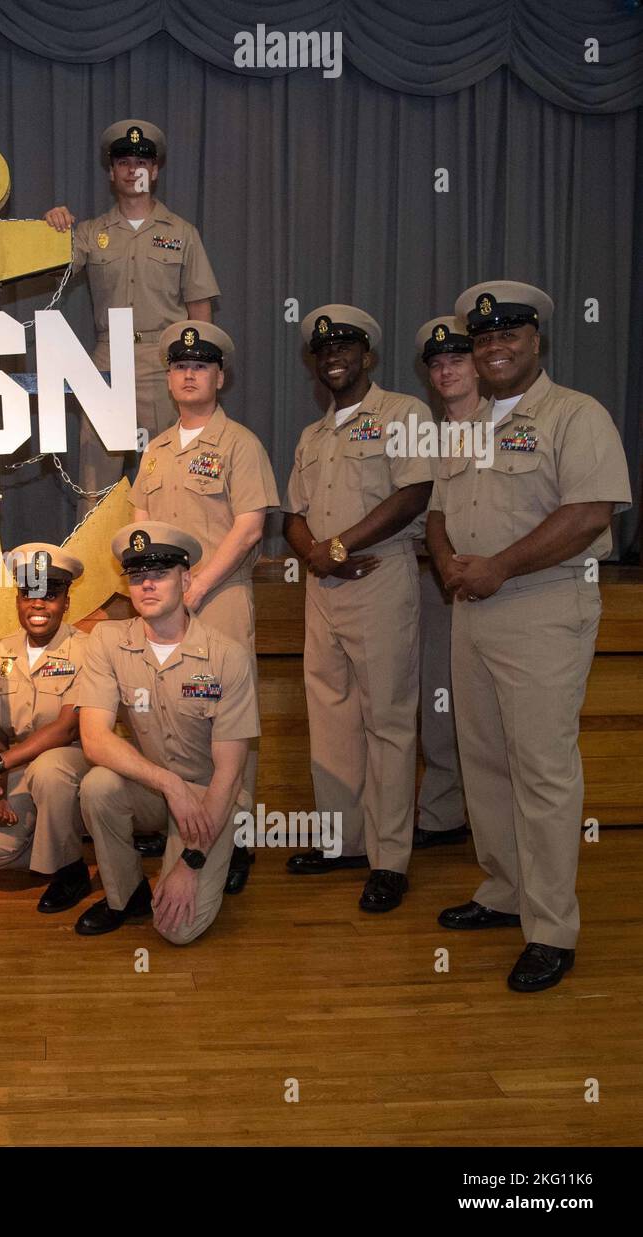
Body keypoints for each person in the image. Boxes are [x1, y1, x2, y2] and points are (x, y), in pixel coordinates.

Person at [429, 281, 632, 992]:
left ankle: (551, 928)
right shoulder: (464, 427)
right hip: (473, 608)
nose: (495, 345)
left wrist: (500, 566)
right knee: (484, 758)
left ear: (537, 340)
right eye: (483, 338)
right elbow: (439, 508)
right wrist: (448, 560)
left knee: (543, 770)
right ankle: (505, 889)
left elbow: (589, 512)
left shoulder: (575, 415)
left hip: (543, 607)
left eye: (509, 334)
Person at [281, 305, 434, 912]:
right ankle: (341, 841)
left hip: (378, 577)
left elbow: (415, 490)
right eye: (323, 350)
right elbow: (292, 515)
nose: (333, 356)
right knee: (332, 717)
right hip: (323, 587)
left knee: (389, 723)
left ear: (368, 356)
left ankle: (390, 858)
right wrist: (317, 555)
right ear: (315, 365)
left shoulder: (405, 413)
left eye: (346, 347)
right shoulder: (311, 436)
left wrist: (340, 546)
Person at [131, 320, 278, 890]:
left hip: (218, 600)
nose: (189, 374)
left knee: (228, 719)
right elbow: (140, 525)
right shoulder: (156, 450)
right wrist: (158, 592)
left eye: (200, 366)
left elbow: (249, 527)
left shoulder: (239, 444)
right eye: (179, 366)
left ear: (220, 376)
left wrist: (195, 588)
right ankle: (181, 820)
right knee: (170, 714)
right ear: (169, 378)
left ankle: (234, 838)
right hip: (163, 607)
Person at [73, 522, 256, 943]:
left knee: (179, 931)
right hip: (156, 789)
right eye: (137, 576)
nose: (147, 585)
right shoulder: (108, 640)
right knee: (98, 786)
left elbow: (229, 774)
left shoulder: (227, 657)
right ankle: (126, 896)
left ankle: (215, 857)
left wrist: (190, 864)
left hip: (212, 798)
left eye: (159, 573)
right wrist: (168, 784)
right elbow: (95, 739)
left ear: (186, 579)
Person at [43, 119, 219, 508]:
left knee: (171, 475)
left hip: (165, 362)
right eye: (123, 160)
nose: (133, 169)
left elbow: (199, 309)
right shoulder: (90, 232)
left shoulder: (182, 233)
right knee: (96, 482)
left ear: (154, 171)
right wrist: (52, 232)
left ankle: (173, 564)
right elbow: (52, 270)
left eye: (142, 161)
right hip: (108, 360)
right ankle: (91, 566)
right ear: (111, 171)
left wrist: (196, 370)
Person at [0, 543, 93, 913]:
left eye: (50, 594)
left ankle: (69, 871)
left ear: (67, 602)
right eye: (28, 593)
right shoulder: (0, 652)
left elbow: (68, 728)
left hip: (74, 764)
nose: (38, 605)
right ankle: (51, 842)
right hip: (18, 765)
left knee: (49, 769)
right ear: (18, 599)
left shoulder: (87, 649)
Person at [411, 316, 475, 849]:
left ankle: (475, 814)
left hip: (498, 581)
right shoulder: (427, 434)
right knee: (438, 699)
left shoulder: (503, 426)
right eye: (437, 364)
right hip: (430, 578)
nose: (446, 370)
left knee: (477, 706)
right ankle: (443, 811)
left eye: (457, 359)